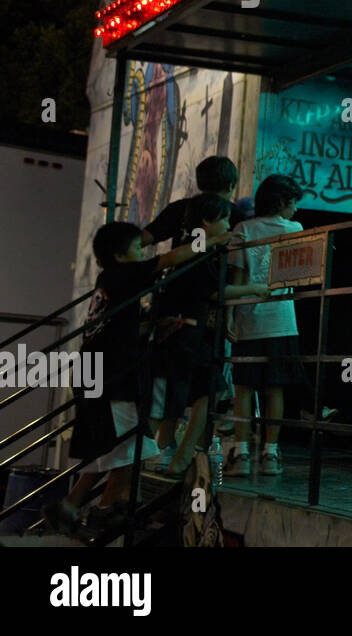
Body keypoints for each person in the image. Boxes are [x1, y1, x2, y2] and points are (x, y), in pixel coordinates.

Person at [42, 220, 231, 535]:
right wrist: (212, 241)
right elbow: (170, 259)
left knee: (125, 444)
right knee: (125, 444)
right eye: (137, 248)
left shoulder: (110, 280)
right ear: (120, 254)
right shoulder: (124, 274)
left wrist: (152, 329)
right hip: (113, 378)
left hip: (99, 373)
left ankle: (96, 506)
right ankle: (86, 507)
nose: (143, 252)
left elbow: (116, 329)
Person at [151, 194, 268, 476]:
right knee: (209, 392)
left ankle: (164, 450)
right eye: (225, 218)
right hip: (192, 332)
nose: (229, 224)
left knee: (179, 396)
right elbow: (215, 292)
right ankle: (181, 455)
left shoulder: (189, 248)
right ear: (208, 220)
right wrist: (255, 289)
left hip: (177, 332)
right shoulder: (201, 252)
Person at [225, 174, 307, 477]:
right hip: (283, 319)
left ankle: (241, 452)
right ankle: (271, 453)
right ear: (283, 201)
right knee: (276, 389)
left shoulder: (243, 230)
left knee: (243, 389)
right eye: (294, 202)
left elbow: (236, 279)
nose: (296, 209)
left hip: (249, 319)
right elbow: (301, 277)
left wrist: (230, 317)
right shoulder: (296, 230)